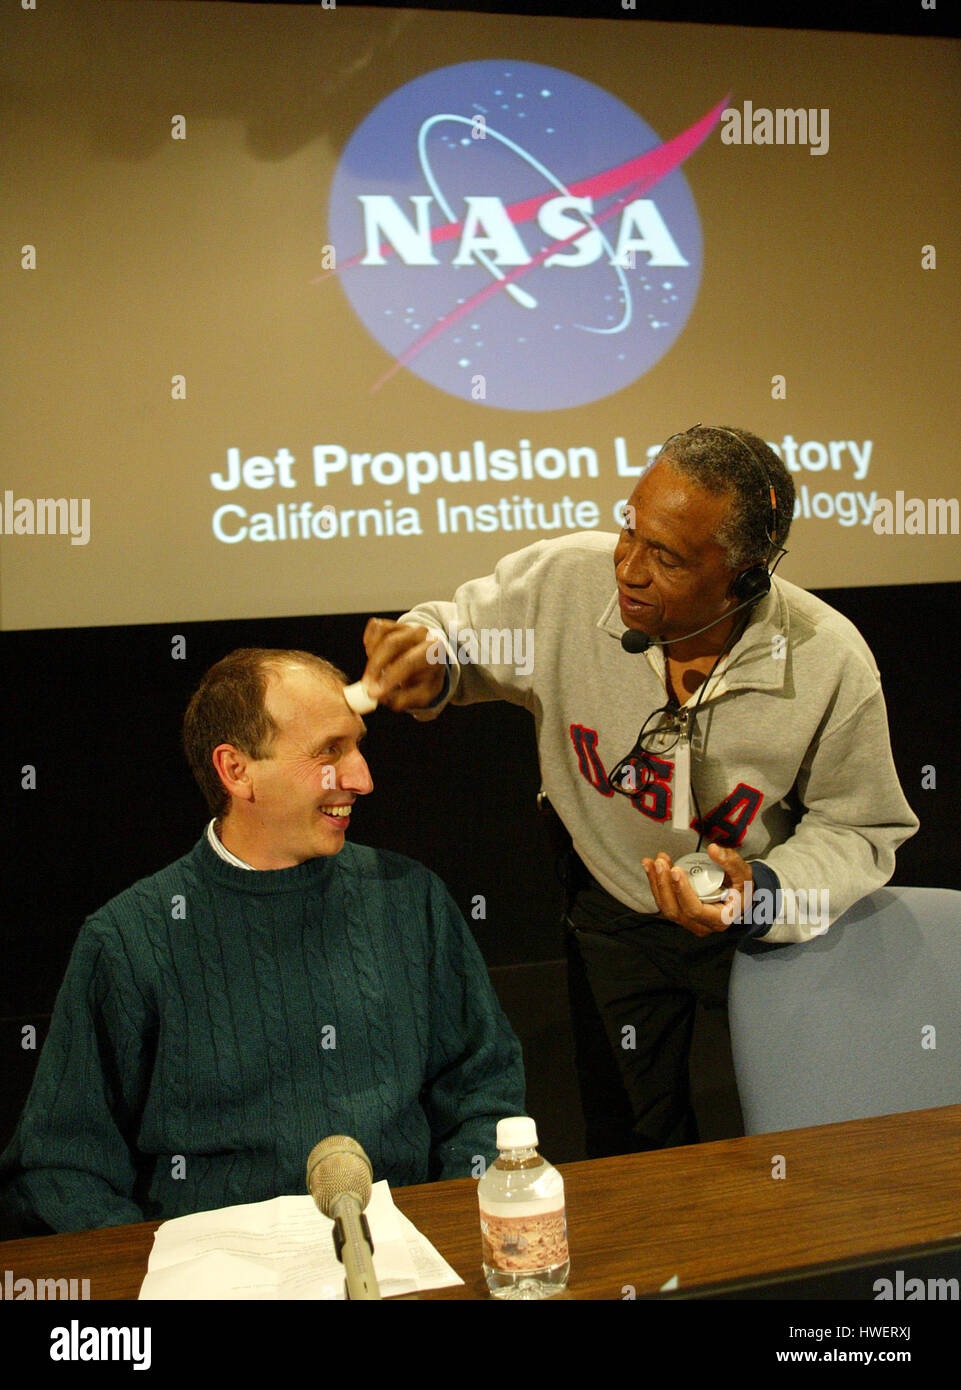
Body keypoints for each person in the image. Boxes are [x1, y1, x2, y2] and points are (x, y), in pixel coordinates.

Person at [355, 424, 919, 1157]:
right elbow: (458, 635)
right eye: (630, 530)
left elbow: (860, 827)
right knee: (629, 1132)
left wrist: (763, 895)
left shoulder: (827, 660)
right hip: (610, 904)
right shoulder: (566, 578)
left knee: (796, 1124)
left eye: (668, 557)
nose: (629, 567)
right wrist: (428, 654)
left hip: (749, 920)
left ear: (745, 575)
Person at [0, 649, 525, 1233]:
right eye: (329, 752)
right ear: (236, 770)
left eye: (357, 746)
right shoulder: (128, 938)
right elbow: (62, 1168)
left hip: (402, 1252)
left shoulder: (409, 897)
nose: (362, 779)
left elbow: (484, 1096)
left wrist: (449, 1226)